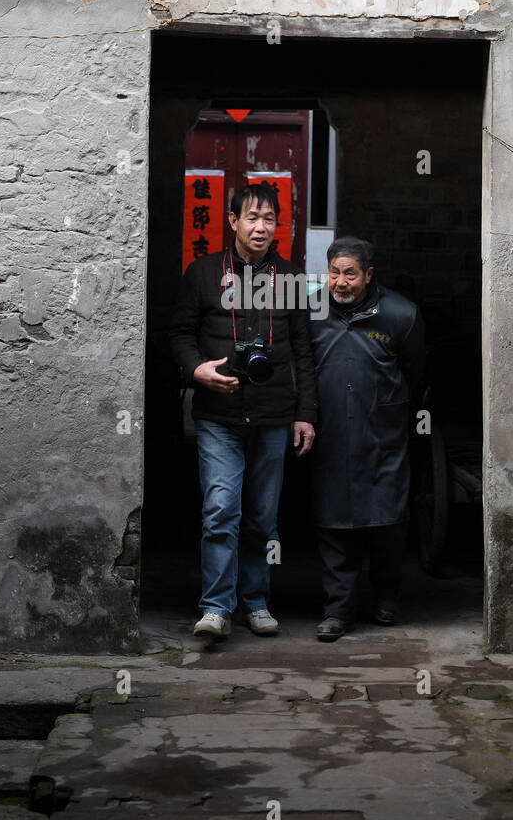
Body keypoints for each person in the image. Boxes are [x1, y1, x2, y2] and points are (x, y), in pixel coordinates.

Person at [169, 182, 317, 641]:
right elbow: (178, 335)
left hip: (274, 417)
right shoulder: (202, 273)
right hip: (218, 415)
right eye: (251, 218)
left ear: (278, 226)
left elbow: (303, 353)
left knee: (262, 519)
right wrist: (196, 371)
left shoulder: (291, 278)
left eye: (269, 219)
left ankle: (255, 602)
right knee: (220, 510)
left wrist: (305, 413)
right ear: (232, 221)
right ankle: (216, 607)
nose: (260, 227)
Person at [310, 237, 425, 640]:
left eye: (350, 274)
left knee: (387, 524)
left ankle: (386, 598)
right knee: (335, 525)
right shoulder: (312, 311)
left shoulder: (401, 315)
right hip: (331, 438)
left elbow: (417, 377)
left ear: (369, 274)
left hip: (385, 438)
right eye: (335, 272)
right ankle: (339, 612)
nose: (341, 282)